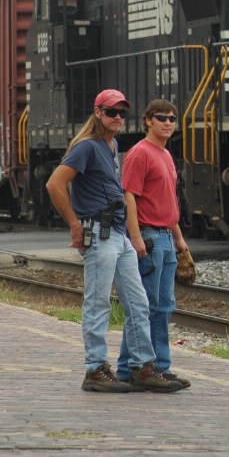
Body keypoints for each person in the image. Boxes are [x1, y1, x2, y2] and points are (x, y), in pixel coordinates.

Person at [45, 89, 182, 394]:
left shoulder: (111, 144)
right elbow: (55, 183)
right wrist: (74, 225)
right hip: (99, 231)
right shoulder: (87, 147)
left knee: (139, 302)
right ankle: (95, 368)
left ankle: (142, 367)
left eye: (122, 112)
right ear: (98, 113)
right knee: (98, 302)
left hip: (117, 232)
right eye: (111, 112)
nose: (118, 118)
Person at [115, 99, 192, 389]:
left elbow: (168, 200)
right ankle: (138, 367)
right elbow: (129, 196)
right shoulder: (139, 154)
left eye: (172, 118)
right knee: (143, 307)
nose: (168, 123)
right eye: (162, 118)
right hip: (148, 236)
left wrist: (179, 237)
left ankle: (156, 366)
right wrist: (135, 238)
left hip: (165, 238)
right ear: (148, 120)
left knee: (162, 307)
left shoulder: (166, 154)